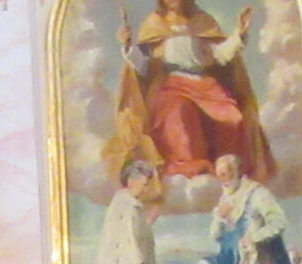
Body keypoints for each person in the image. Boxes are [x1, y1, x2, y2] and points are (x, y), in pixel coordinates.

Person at [112, 0, 274, 185]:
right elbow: (144, 66)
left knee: (232, 116)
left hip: (205, 85)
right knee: (179, 112)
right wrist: (128, 46)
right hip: (172, 86)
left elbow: (220, 55)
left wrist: (239, 35)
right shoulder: (154, 24)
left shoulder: (202, 21)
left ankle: (226, 169)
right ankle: (190, 169)